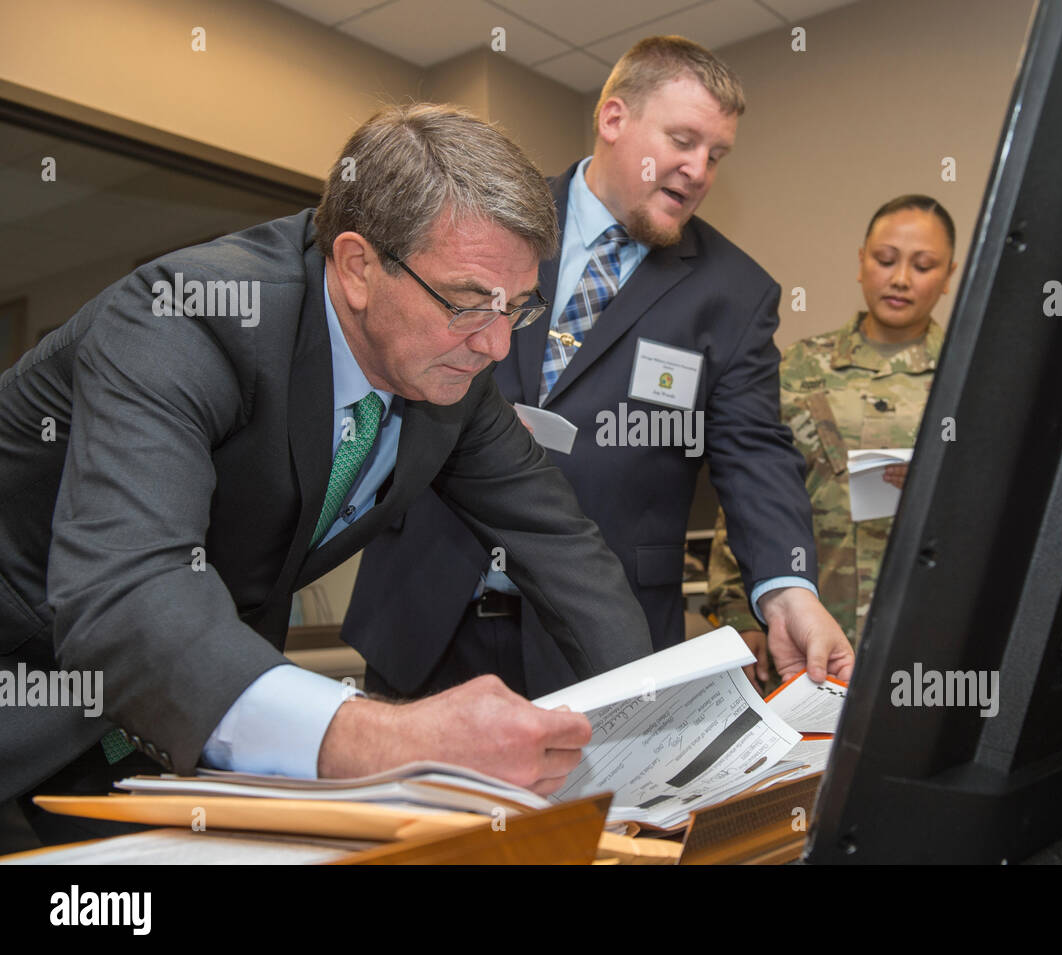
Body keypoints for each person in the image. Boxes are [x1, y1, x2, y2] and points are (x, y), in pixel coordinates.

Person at [0, 104, 656, 844]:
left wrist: (665, 732)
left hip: (177, 735)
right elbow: (129, 598)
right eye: (470, 304)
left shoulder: (450, 373)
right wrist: (388, 740)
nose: (498, 346)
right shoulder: (182, 321)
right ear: (356, 266)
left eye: (518, 308)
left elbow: (561, 545)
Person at [343, 36, 854, 701]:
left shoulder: (734, 293)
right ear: (614, 119)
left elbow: (754, 450)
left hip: (599, 648)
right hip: (425, 612)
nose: (699, 169)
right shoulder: (488, 221)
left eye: (716, 154)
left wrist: (788, 591)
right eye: (682, 140)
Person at [705, 195, 957, 689]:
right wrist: (738, 611)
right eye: (885, 260)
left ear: (949, 275)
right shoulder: (797, 368)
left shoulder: (973, 378)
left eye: (923, 265)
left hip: (935, 647)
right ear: (861, 260)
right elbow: (746, 491)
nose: (901, 278)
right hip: (810, 641)